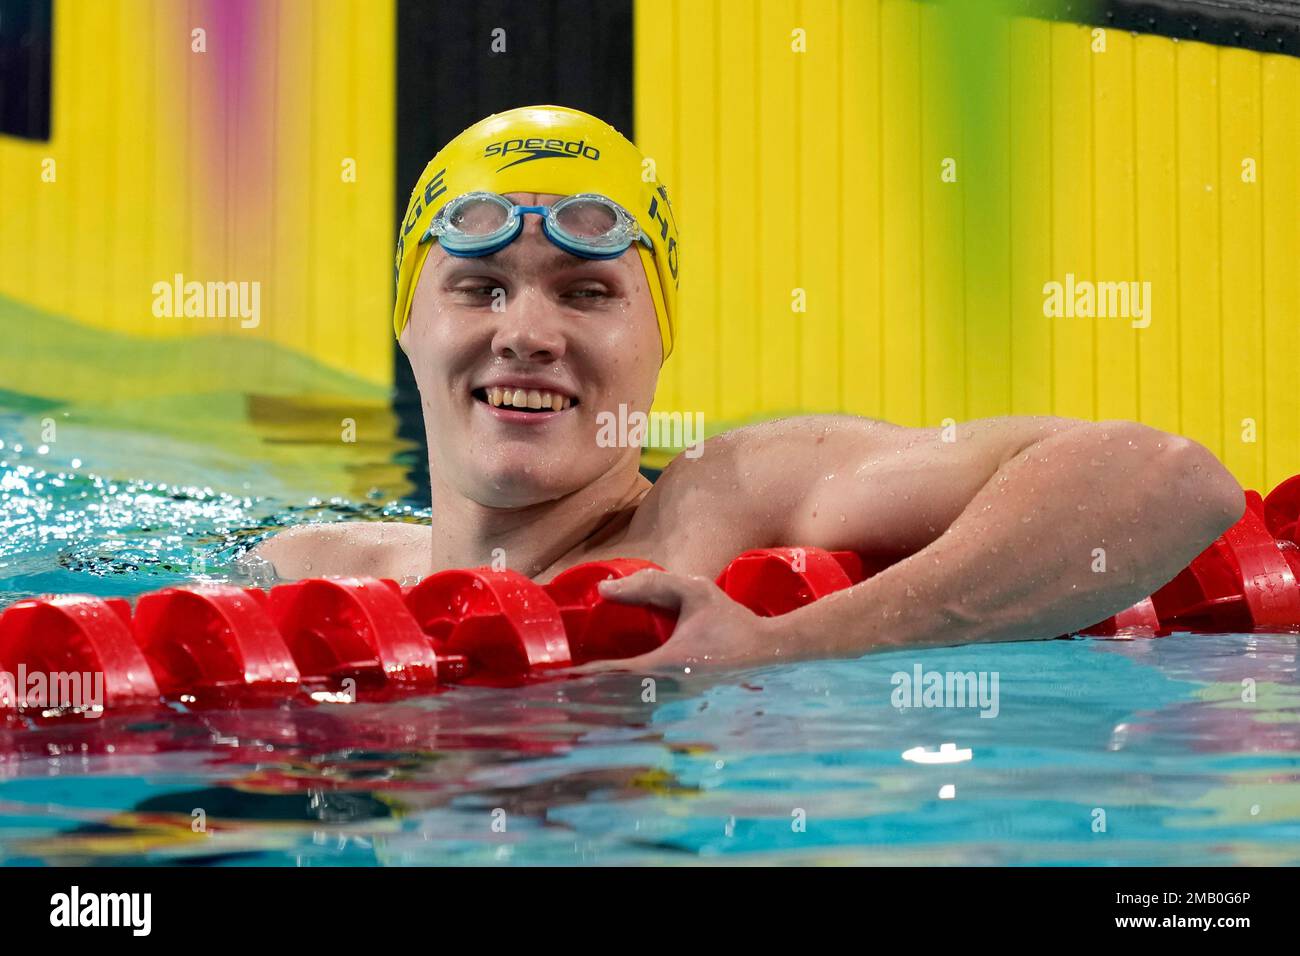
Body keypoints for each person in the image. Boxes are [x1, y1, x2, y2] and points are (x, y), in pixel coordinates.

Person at [255, 105, 1243, 670]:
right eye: (479, 287)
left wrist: (791, 643)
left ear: (659, 336)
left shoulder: (729, 498)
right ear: (407, 320)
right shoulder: (306, 569)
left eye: (587, 292)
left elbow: (1168, 478)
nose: (525, 334)